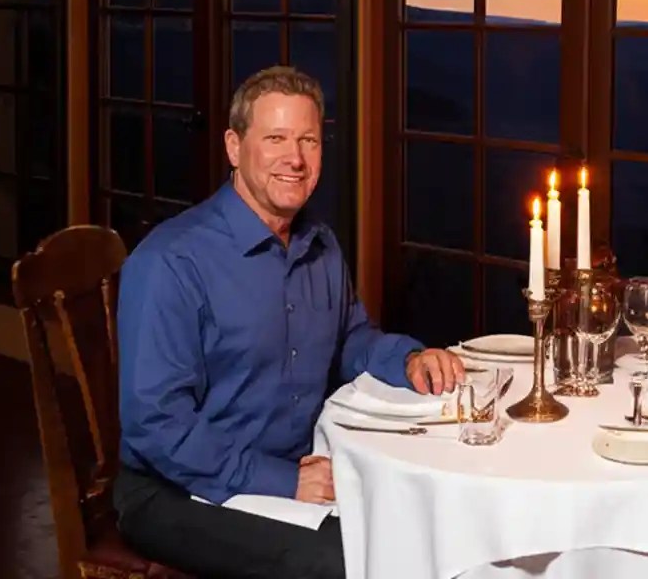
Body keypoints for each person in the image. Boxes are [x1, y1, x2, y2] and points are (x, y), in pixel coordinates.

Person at [114, 66, 465, 579]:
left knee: (426, 528)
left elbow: (350, 340)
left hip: (294, 463)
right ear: (234, 147)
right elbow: (156, 426)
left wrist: (410, 359)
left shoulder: (319, 244)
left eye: (308, 141)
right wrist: (283, 481)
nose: (295, 159)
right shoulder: (172, 262)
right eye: (275, 138)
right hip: (173, 489)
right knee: (356, 561)